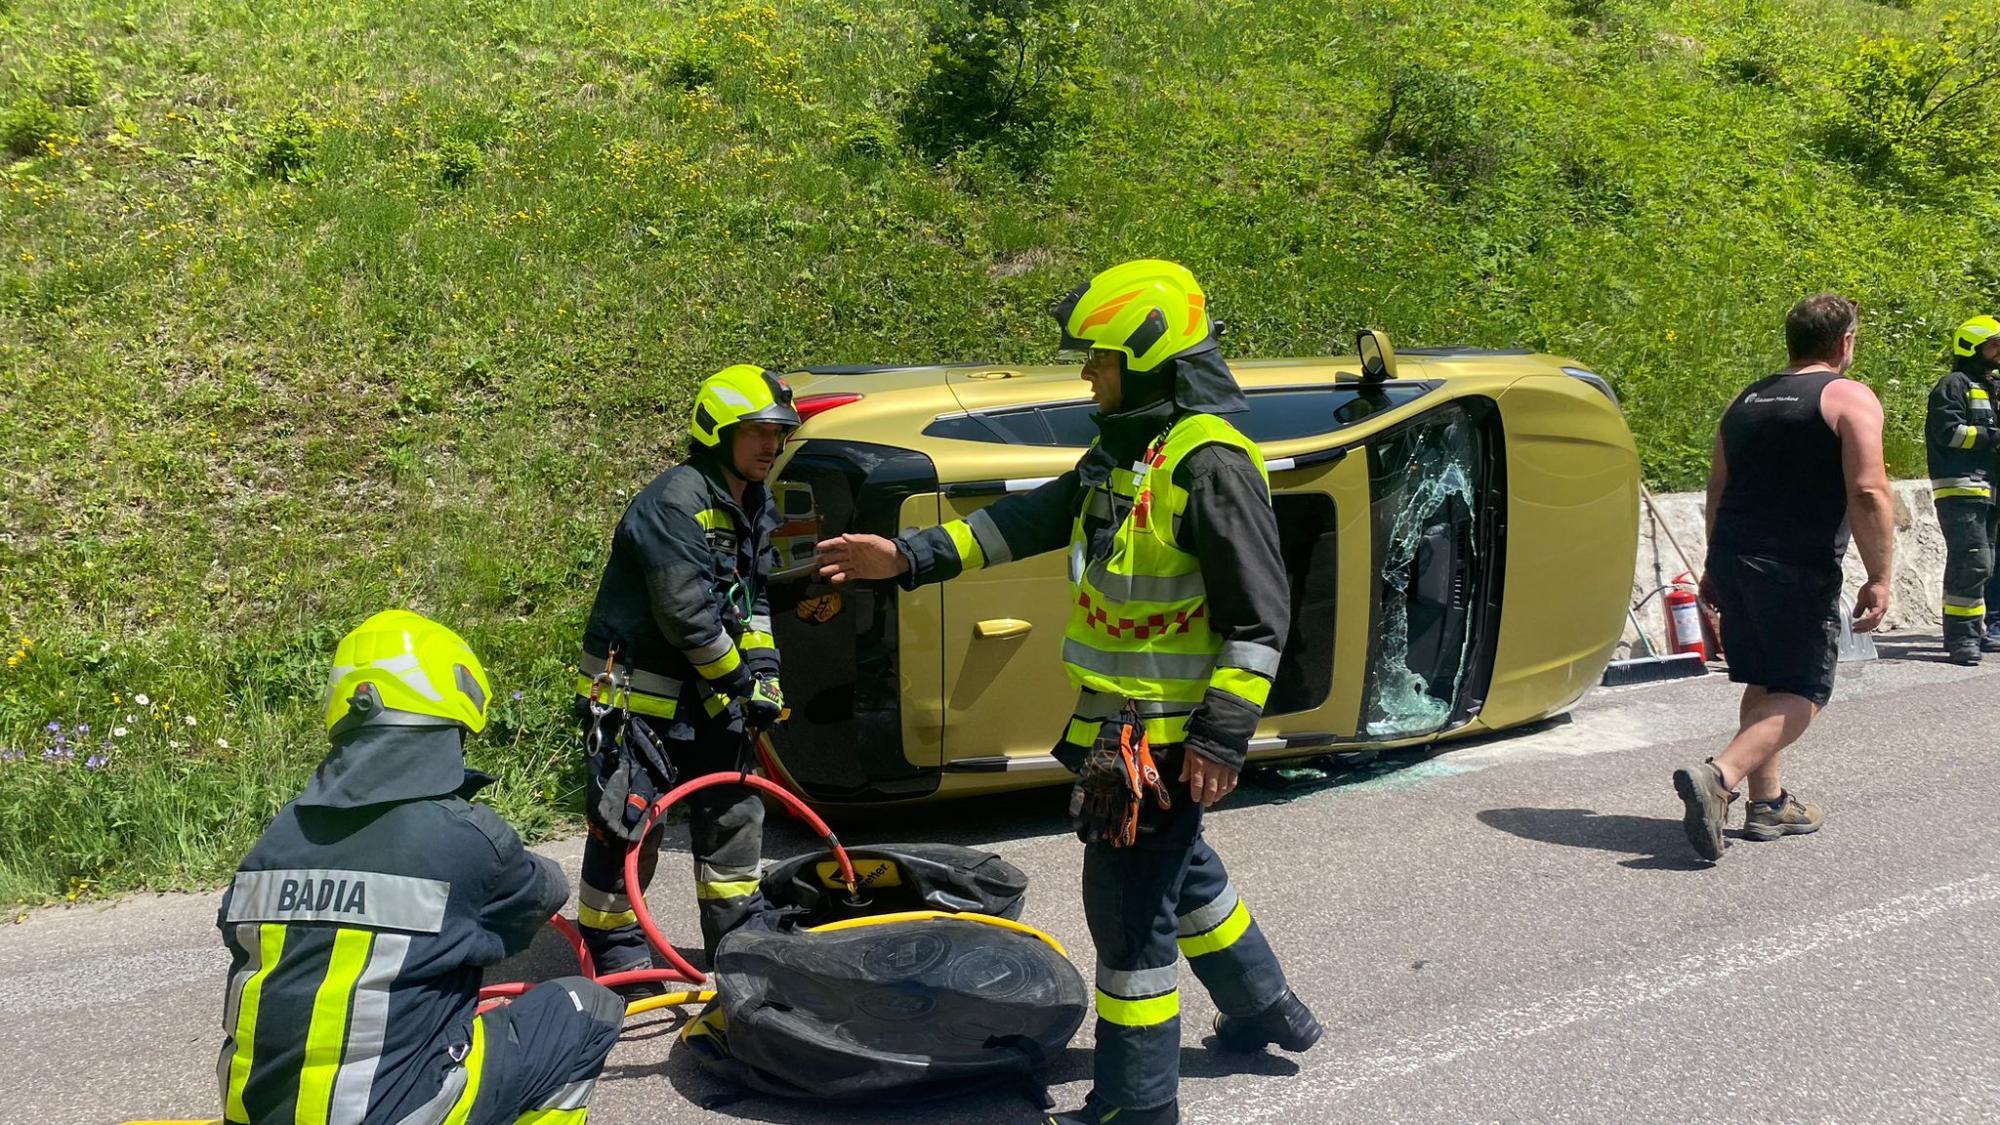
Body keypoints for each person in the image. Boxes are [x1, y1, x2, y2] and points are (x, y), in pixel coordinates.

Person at [816, 260, 1319, 1125]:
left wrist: (1222, 735)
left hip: (1161, 744)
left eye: (1100, 359)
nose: (1086, 373)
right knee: (1182, 874)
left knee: (1129, 926)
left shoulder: (1208, 467)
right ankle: (1268, 1006)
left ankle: (1137, 1102)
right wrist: (904, 558)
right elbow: (1027, 520)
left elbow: (1260, 615)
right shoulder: (1127, 452)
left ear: (1150, 362)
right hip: (1118, 729)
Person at [217, 610, 622, 1125]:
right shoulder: (466, 839)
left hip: (250, 1115)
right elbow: (543, 895)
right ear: (453, 710)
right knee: (586, 1010)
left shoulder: (273, 840)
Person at [573, 364, 796, 987]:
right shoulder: (675, 503)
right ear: (718, 433)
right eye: (755, 431)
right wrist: (740, 682)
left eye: (777, 433)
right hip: (639, 691)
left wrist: (766, 674)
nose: (769, 445)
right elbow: (686, 616)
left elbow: (750, 602)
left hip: (710, 686)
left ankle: (737, 936)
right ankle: (612, 941)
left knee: (734, 802)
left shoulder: (752, 504)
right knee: (629, 817)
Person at [1676, 293, 1894, 862]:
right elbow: (1869, 490)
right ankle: (1720, 778)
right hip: (1794, 565)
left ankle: (1768, 804)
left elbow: (1718, 489)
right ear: (1845, 342)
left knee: (1769, 677)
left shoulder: (1744, 401)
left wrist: (1711, 564)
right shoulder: (1848, 396)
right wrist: (1880, 575)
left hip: (1734, 557)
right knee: (1804, 688)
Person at [1926, 316, 2000, 663]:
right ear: (1972, 347)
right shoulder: (1953, 384)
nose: (1998, 354)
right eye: (1994, 346)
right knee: (1972, 562)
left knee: (1983, 564)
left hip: (1986, 488)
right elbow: (1949, 433)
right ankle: (1961, 639)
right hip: (1961, 487)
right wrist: (1992, 437)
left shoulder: (1989, 386)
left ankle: (1975, 631)